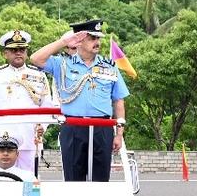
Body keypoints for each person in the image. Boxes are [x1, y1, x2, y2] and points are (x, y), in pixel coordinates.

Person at [30, 19, 129, 182]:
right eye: (92, 38)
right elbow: (35, 58)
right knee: (74, 179)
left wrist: (119, 134)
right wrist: (63, 42)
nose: (97, 42)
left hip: (102, 128)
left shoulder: (110, 66)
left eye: (98, 38)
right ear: (79, 40)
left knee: (101, 179)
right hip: (74, 127)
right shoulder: (62, 64)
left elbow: (118, 101)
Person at [0, 30, 54, 173]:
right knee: (6, 178)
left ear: (26, 52)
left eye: (22, 49)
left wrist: (43, 127)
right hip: (4, 137)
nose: (18, 53)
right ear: (6, 53)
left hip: (30, 136)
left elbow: (47, 107)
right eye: (14, 50)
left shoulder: (39, 74)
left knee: (29, 181)